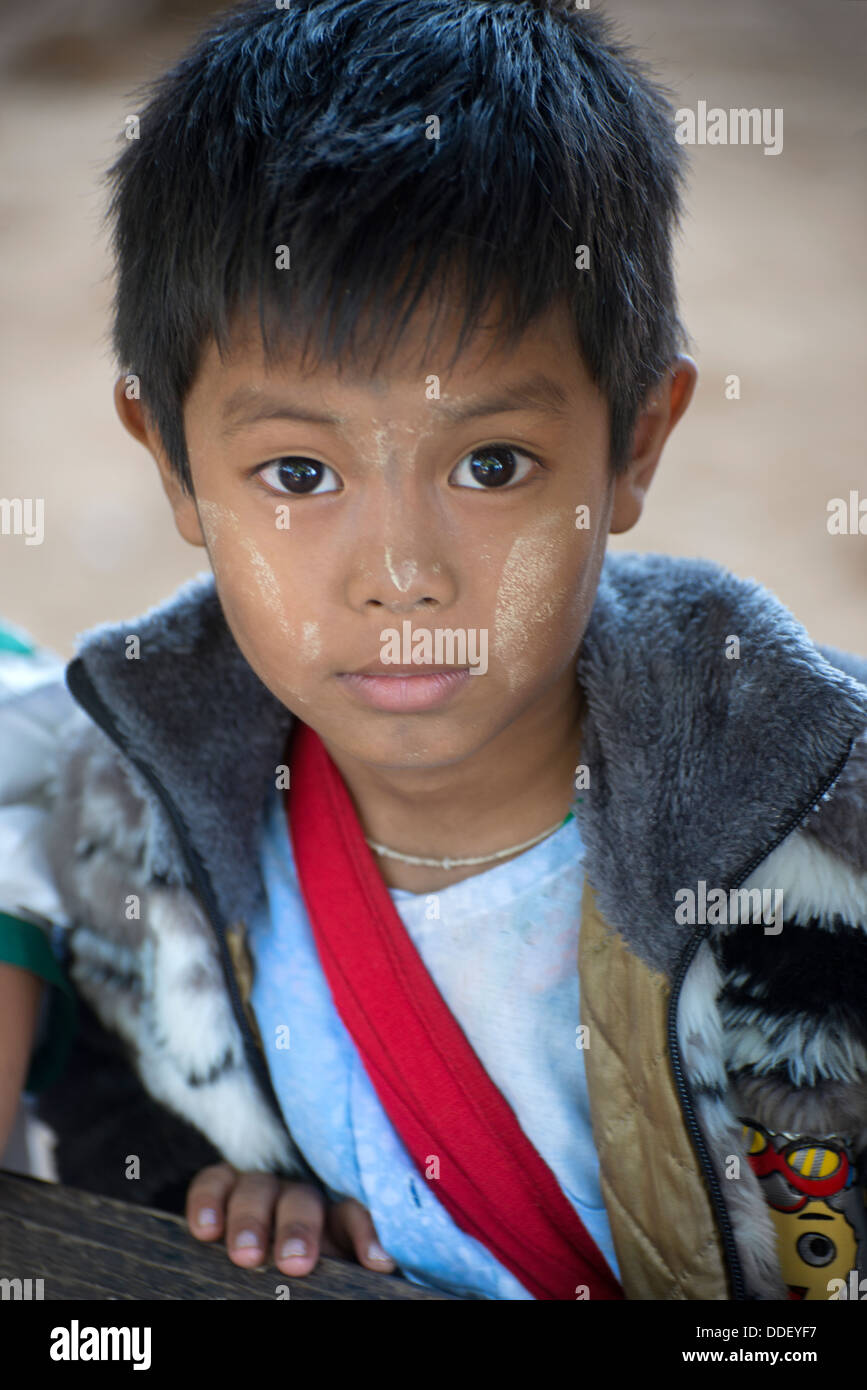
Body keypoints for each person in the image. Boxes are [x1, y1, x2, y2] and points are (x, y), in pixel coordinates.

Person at [3, 0, 866, 1301]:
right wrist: (208, 1185)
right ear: (172, 461)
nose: (402, 572)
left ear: (634, 442)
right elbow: (109, 1084)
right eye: (299, 473)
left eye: (491, 464)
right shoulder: (132, 820)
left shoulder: (820, 832)